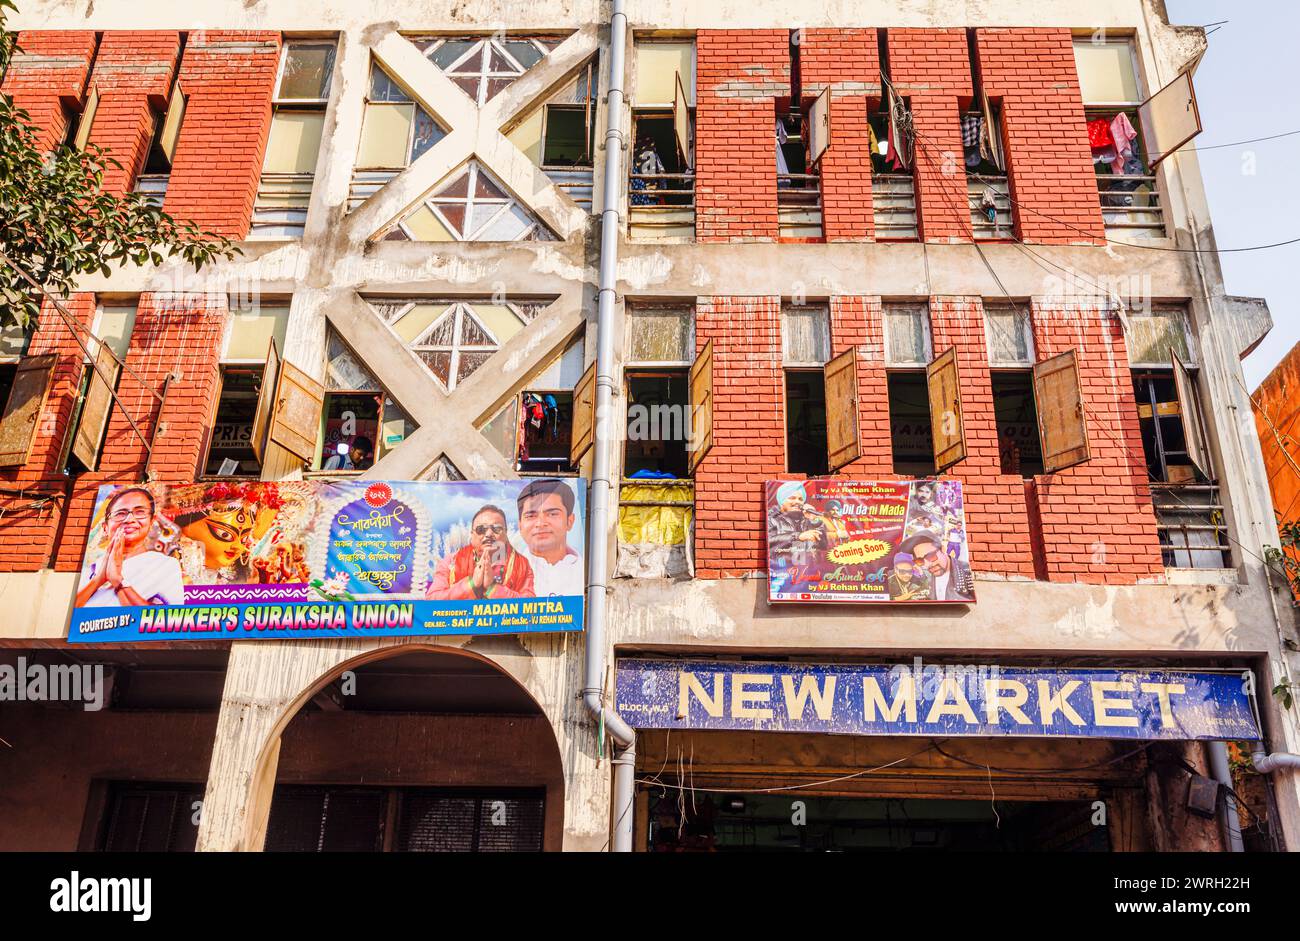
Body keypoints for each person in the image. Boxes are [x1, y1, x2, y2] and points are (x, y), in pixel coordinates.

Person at [76, 487, 185, 608]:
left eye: (140, 512)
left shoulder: (164, 565)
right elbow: (68, 615)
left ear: (152, 522)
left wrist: (118, 581)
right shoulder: (92, 568)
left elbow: (164, 619)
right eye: (120, 514)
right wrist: (98, 579)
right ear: (105, 527)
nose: (129, 520)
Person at [426, 505, 534, 600]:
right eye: (481, 529)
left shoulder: (522, 565)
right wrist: (471, 584)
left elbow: (531, 605)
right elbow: (432, 600)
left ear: (506, 533)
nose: (489, 534)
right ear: (472, 535)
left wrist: (493, 588)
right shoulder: (451, 561)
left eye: (496, 529)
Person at [517, 479, 583, 597]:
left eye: (552, 514)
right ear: (520, 525)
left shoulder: (589, 573)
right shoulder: (504, 576)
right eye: (531, 515)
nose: (541, 523)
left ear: (570, 521)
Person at [899, 530, 975, 602]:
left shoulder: (965, 570)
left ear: (943, 549)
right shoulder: (924, 577)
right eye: (920, 561)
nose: (927, 565)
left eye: (930, 556)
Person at [766, 482, 824, 570]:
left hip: (809, 574)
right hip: (782, 572)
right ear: (782, 500)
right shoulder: (772, 518)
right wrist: (798, 536)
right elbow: (770, 541)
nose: (797, 502)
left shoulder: (806, 518)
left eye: (800, 499)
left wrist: (813, 520)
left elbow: (825, 545)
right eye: (792, 498)